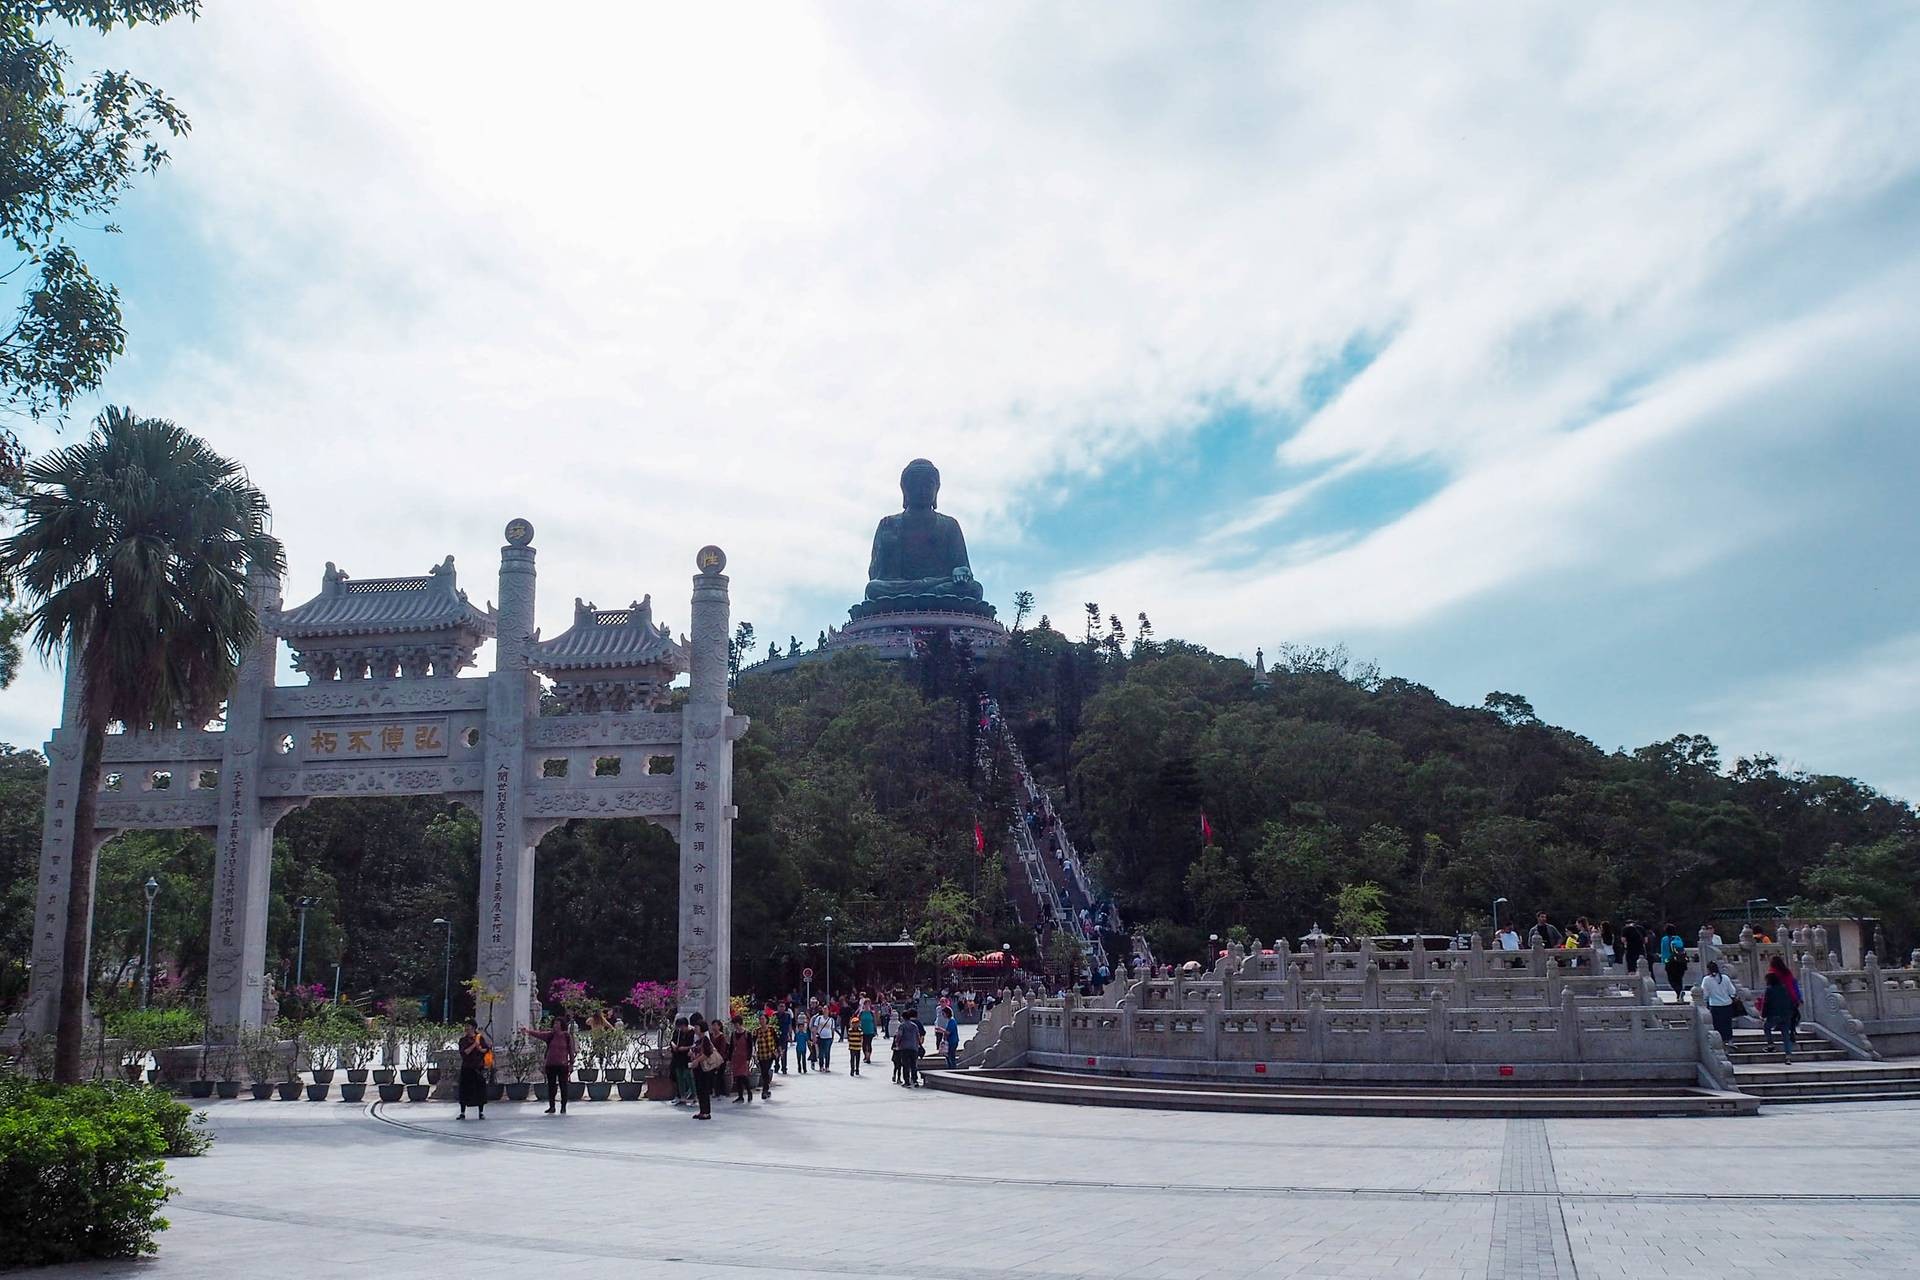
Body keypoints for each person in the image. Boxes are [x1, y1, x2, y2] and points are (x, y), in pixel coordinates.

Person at [522, 1013, 577, 1115]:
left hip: (563, 1065)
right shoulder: (550, 1035)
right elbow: (539, 1034)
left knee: (563, 1086)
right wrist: (528, 1031)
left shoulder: (566, 1036)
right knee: (551, 1086)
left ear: (562, 1025)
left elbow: (571, 1050)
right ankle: (552, 1106)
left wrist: (571, 1064)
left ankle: (563, 1107)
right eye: (554, 1024)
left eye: (557, 1024)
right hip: (551, 1064)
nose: (555, 1026)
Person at [456, 1019, 490, 1121]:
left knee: (480, 1091)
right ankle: (462, 1112)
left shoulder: (480, 1038)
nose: (466, 1028)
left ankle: (481, 1112)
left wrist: (481, 1049)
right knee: (464, 1091)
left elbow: (486, 1049)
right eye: (466, 1026)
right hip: (467, 1068)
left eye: (469, 1026)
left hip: (478, 1068)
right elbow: (465, 1052)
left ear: (473, 1027)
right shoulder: (463, 1040)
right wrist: (474, 1045)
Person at [1761, 970, 1796, 1063]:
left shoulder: (1769, 989)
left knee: (1766, 1027)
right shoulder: (1785, 988)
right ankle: (1788, 1056)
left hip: (1774, 1014)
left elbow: (1766, 1003)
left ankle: (1770, 1045)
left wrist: (1763, 1014)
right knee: (1785, 1036)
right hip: (1786, 1014)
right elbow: (1791, 1000)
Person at [1700, 960, 1738, 1046]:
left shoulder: (1706, 980)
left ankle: (1720, 1042)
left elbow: (1705, 994)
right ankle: (1729, 1040)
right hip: (1727, 1004)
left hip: (1715, 1005)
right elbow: (1732, 991)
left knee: (1717, 1024)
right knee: (1727, 1023)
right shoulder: (1725, 977)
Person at [690, 1015, 718, 1120]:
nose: (695, 1029)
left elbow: (707, 1053)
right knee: (699, 1090)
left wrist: (697, 1060)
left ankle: (706, 1112)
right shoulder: (698, 1040)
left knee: (704, 1090)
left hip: (705, 1068)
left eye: (697, 1027)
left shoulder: (706, 1040)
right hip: (698, 1069)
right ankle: (702, 1111)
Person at [729, 1014, 755, 1103]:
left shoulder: (747, 1034)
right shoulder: (733, 1034)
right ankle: (740, 1096)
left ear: (739, 1024)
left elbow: (750, 1047)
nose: (735, 1026)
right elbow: (731, 1047)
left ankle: (749, 1091)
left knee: (743, 1076)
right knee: (737, 1077)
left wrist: (749, 1058)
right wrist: (729, 1058)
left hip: (744, 1058)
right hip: (736, 1058)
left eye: (736, 1024)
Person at [1660, 924, 1689, 998]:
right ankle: (1679, 994)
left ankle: (1679, 992)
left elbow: (1664, 951)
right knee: (1679, 979)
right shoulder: (1678, 938)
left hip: (1670, 962)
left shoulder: (1664, 939)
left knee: (1671, 980)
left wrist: (1664, 961)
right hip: (1681, 962)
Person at [670, 1015, 694, 1105]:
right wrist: (674, 1046)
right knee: (678, 1076)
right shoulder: (677, 1032)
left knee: (688, 1076)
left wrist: (684, 1048)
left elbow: (693, 1045)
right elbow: (672, 1040)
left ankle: (692, 1094)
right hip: (677, 1057)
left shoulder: (691, 1032)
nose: (680, 1029)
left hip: (686, 1057)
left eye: (682, 1027)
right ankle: (681, 1095)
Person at [755, 1009, 779, 1099]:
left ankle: (765, 1090)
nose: (761, 1021)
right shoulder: (757, 1031)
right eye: (760, 1019)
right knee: (764, 1072)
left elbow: (776, 1040)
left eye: (763, 1019)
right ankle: (766, 1089)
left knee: (765, 1070)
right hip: (761, 1054)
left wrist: (778, 1050)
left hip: (770, 1054)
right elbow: (753, 1042)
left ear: (766, 1020)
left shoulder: (771, 1030)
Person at [897, 1010, 924, 1087]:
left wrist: (897, 1043)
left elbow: (899, 1036)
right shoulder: (914, 1026)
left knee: (906, 1065)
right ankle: (915, 1080)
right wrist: (919, 1044)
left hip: (904, 1047)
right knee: (913, 1065)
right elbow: (918, 1036)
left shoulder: (902, 1026)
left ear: (903, 1017)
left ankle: (907, 1081)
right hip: (914, 1047)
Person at [812, 1006, 835, 1071]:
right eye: (824, 1009)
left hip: (828, 1038)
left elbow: (832, 1029)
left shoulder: (831, 1020)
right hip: (820, 1037)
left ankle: (827, 1066)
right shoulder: (819, 1018)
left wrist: (832, 1038)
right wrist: (814, 1037)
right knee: (821, 1053)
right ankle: (821, 1066)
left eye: (826, 1009)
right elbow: (815, 1028)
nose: (825, 1010)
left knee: (827, 1052)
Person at [845, 1008, 865, 1074]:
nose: (855, 1025)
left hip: (858, 1047)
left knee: (857, 1059)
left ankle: (857, 1069)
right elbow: (849, 1038)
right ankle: (852, 1069)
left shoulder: (860, 1030)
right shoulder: (850, 1030)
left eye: (856, 1023)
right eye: (854, 1023)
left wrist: (861, 1044)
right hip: (852, 1047)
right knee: (852, 1059)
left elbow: (861, 1038)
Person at [776, 1001, 794, 1075]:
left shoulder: (788, 1015)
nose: (782, 1008)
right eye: (780, 1006)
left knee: (784, 1052)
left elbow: (789, 1026)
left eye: (783, 1006)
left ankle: (784, 1068)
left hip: (784, 1036)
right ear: (778, 1007)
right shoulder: (774, 1015)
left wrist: (790, 1036)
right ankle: (776, 1066)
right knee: (776, 1052)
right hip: (776, 1036)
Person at [793, 1002, 811, 1074]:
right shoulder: (797, 1034)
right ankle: (799, 1068)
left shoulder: (805, 1034)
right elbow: (795, 1039)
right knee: (798, 1059)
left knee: (803, 1059)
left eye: (802, 1027)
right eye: (800, 1027)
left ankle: (805, 1069)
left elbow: (808, 1040)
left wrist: (810, 1043)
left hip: (803, 1048)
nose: (801, 1028)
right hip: (798, 1048)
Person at [858, 1000, 877, 1064]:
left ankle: (868, 1057)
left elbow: (874, 1022)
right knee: (864, 1044)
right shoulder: (861, 1013)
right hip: (863, 1030)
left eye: (868, 1004)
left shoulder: (872, 1013)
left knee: (869, 1043)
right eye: (866, 1004)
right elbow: (858, 1020)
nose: (867, 1006)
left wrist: (875, 1030)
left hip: (870, 1030)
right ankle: (865, 1056)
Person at [943, 1005, 959, 1070]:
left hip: (953, 1041)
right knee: (949, 1056)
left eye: (943, 1013)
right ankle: (950, 1067)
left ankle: (953, 1068)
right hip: (951, 1041)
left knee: (951, 1056)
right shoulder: (950, 1021)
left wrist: (941, 1030)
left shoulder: (952, 1021)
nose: (943, 1015)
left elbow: (948, 1032)